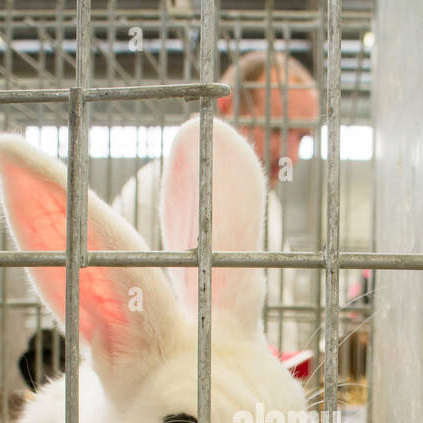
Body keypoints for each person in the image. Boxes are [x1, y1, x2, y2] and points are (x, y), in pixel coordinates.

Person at [111, 51, 318, 347]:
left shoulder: (268, 204)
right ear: (226, 107)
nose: (292, 155)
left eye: (302, 137)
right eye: (276, 130)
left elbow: (278, 308)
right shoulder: (161, 186)